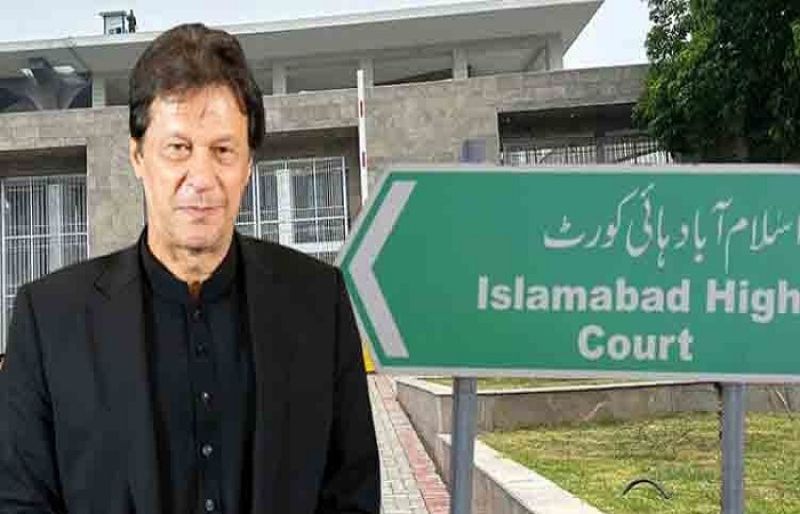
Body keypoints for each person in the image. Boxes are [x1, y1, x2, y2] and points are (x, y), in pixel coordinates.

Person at [0, 24, 379, 514]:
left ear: (248, 164)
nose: (201, 178)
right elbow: (20, 500)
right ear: (138, 156)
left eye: (223, 150)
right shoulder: (50, 320)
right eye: (178, 148)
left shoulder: (318, 303)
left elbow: (352, 494)